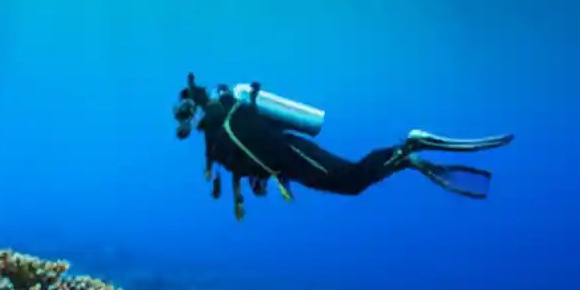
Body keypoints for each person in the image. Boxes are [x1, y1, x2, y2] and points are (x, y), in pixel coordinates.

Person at [173, 73, 513, 220]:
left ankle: (411, 145)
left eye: (185, 112)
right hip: (289, 164)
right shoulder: (217, 134)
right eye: (182, 115)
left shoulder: (224, 117)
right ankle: (405, 158)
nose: (185, 121)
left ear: (196, 105)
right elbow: (246, 161)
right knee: (351, 183)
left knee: (351, 180)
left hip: (292, 154)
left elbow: (252, 147)